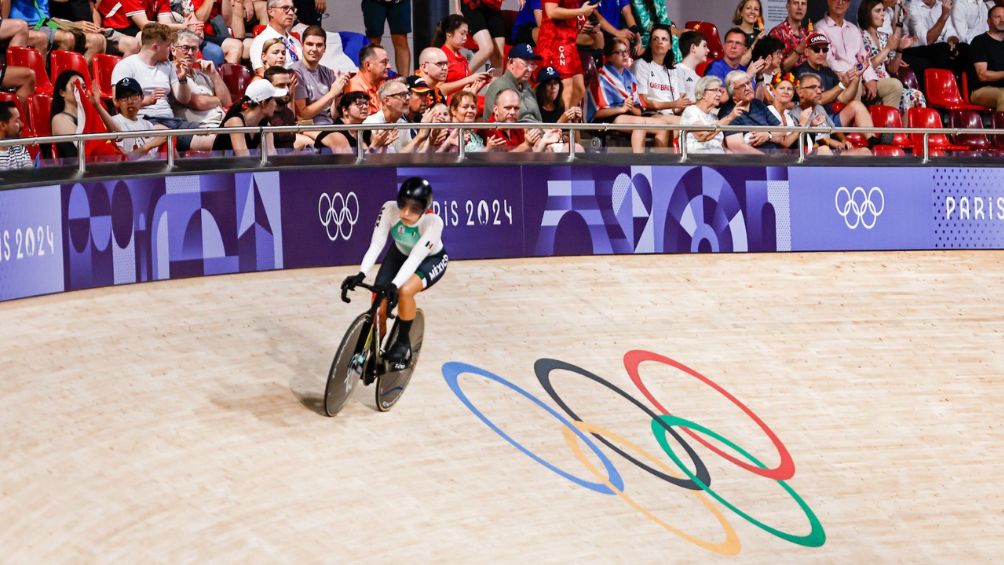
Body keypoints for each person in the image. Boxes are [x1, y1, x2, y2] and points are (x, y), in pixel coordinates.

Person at [341, 177, 448, 368]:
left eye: (414, 209)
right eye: (402, 205)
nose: (405, 212)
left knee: (405, 291)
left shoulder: (433, 223)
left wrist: (395, 285)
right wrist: (361, 273)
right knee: (378, 305)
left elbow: (415, 258)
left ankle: (403, 343)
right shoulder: (389, 209)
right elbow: (376, 244)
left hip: (430, 259)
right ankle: (374, 353)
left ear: (424, 209)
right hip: (399, 253)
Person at [816, 0, 904, 108]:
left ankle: (885, 119)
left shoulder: (853, 29)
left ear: (849, 3)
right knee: (855, 85)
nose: (840, 2)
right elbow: (828, 61)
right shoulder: (820, 28)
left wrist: (870, 79)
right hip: (840, 80)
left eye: (845, 0)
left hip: (859, 77)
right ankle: (859, 118)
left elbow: (864, 58)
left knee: (895, 86)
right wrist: (856, 77)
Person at [587, 38, 671, 153]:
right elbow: (595, 114)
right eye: (618, 52)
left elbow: (639, 112)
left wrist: (630, 107)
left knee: (663, 126)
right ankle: (639, 162)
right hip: (606, 118)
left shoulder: (630, 77)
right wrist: (621, 109)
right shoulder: (600, 79)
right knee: (639, 124)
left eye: (625, 51)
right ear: (609, 57)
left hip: (628, 115)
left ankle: (660, 162)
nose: (624, 55)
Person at [794, 32, 879, 138]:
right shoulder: (801, 72)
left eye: (825, 50)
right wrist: (841, 85)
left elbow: (843, 98)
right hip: (811, 122)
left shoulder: (828, 71)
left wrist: (857, 77)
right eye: (816, 50)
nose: (821, 53)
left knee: (856, 105)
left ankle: (872, 140)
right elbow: (817, 100)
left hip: (830, 120)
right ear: (806, 52)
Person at [859, 0, 927, 112]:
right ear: (867, 14)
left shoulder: (884, 37)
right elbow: (866, 67)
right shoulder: (860, 37)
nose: (882, 14)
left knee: (917, 95)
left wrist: (900, 49)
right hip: (870, 83)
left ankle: (905, 124)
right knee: (904, 94)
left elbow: (892, 69)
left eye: (883, 10)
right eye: (878, 11)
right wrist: (887, 49)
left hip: (888, 81)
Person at [537, 0, 598, 110]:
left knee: (579, 89)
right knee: (566, 88)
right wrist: (581, 11)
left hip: (570, 42)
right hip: (556, 40)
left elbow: (571, 10)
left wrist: (584, 20)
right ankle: (560, 119)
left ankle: (566, 118)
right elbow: (551, 12)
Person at [795, 71, 872, 154]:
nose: (819, 91)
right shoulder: (795, 113)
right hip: (814, 153)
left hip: (832, 151)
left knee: (865, 152)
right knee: (824, 150)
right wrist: (833, 143)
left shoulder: (819, 108)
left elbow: (834, 129)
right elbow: (810, 142)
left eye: (820, 87)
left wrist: (844, 140)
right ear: (800, 92)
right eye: (813, 87)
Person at [92, 77, 168, 159]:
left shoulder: (148, 124)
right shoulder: (112, 124)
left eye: (134, 96)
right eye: (124, 98)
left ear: (142, 97)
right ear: (117, 101)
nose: (130, 101)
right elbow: (122, 159)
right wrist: (150, 145)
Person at [211, 79, 286, 155]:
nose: (275, 104)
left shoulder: (265, 124)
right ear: (263, 103)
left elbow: (272, 154)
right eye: (274, 100)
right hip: (220, 163)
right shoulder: (236, 122)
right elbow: (243, 157)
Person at [292, 25, 348, 126]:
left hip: (330, 125)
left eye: (319, 45)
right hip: (308, 128)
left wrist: (339, 92)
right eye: (310, 44)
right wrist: (332, 93)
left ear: (324, 48)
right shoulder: (295, 72)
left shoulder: (328, 72)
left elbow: (334, 115)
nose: (314, 49)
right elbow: (302, 116)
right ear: (302, 46)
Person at [632, 24, 691, 119]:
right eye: (655, 39)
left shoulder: (673, 70)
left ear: (670, 46)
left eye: (664, 39)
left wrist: (687, 104)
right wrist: (673, 104)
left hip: (670, 116)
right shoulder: (640, 65)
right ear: (650, 44)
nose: (660, 42)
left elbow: (675, 108)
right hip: (649, 114)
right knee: (687, 123)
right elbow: (644, 102)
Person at [765, 72, 830, 154]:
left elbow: (796, 138)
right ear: (773, 91)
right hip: (771, 156)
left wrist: (811, 125)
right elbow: (785, 143)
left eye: (789, 89)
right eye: (782, 88)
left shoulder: (788, 116)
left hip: (791, 156)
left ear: (793, 93)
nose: (786, 91)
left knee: (824, 149)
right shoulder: (768, 111)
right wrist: (802, 124)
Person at [718, 70, 781, 152]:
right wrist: (765, 158)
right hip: (754, 158)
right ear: (733, 95)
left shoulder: (757, 103)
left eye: (748, 83)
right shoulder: (729, 113)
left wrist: (768, 135)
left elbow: (781, 131)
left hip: (777, 154)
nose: (748, 88)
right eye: (742, 86)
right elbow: (736, 146)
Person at [679, 75, 744, 154]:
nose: (719, 94)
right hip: (698, 159)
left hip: (717, 158)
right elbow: (702, 136)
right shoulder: (691, 111)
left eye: (720, 91)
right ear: (703, 93)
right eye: (715, 90)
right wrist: (729, 117)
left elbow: (720, 147)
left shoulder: (714, 117)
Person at [363, 77, 431, 153]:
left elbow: (410, 154)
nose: (408, 98)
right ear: (387, 101)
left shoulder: (403, 123)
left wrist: (431, 137)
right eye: (402, 95)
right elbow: (392, 158)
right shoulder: (372, 124)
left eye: (408, 94)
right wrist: (420, 136)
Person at [481, 43, 544, 122]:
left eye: (532, 65)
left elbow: (539, 120)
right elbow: (494, 122)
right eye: (525, 64)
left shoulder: (528, 89)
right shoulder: (499, 86)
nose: (530, 69)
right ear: (511, 63)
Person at [434, 15, 493, 94]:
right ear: (449, 34)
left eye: (466, 34)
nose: (465, 38)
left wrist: (479, 83)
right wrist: (468, 80)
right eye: (462, 33)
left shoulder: (463, 59)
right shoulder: (440, 56)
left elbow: (465, 90)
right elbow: (438, 89)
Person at [361, 0, 412, 75]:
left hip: (400, 2)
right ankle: (372, 78)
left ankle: (404, 79)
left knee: (400, 38)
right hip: (374, 2)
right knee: (373, 41)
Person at [455, 0, 508, 73]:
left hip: (493, 6)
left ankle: (494, 81)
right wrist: (457, 9)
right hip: (473, 6)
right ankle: (461, 77)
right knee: (487, 49)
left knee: (499, 55)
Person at [249, 0, 302, 73]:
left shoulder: (296, 42)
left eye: (292, 9)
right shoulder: (260, 41)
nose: (291, 13)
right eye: (285, 8)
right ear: (271, 12)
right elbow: (261, 74)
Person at [970, 5, 1004, 111]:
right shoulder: (979, 41)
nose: (1002, 20)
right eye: (997, 17)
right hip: (981, 90)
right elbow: (982, 75)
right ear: (988, 21)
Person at [49, 70, 88, 159]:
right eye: (74, 86)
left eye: (83, 87)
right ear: (62, 92)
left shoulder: (86, 115)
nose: (80, 90)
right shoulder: (59, 119)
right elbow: (84, 146)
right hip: (75, 166)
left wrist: (97, 106)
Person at [346, 44, 390, 115]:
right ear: (368, 65)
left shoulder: (381, 82)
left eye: (387, 62)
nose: (389, 66)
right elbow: (364, 120)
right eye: (384, 62)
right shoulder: (355, 88)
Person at [770, 0, 810, 72]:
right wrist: (799, 49)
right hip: (786, 78)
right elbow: (776, 70)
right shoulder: (777, 33)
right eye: (795, 3)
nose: (800, 7)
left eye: (803, 4)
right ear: (787, 6)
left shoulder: (806, 33)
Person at [671, 30, 709, 101]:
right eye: (704, 46)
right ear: (693, 47)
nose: (708, 50)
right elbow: (679, 101)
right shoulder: (677, 70)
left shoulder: (699, 78)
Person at [0, 101, 33, 170]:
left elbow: (30, 174)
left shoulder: (19, 147)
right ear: (3, 125)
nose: (22, 124)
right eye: (17, 120)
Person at [733, 0, 766, 66]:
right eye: (748, 8)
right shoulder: (734, 34)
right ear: (741, 12)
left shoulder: (760, 34)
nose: (752, 12)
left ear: (759, 15)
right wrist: (756, 41)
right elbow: (738, 64)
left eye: (756, 9)